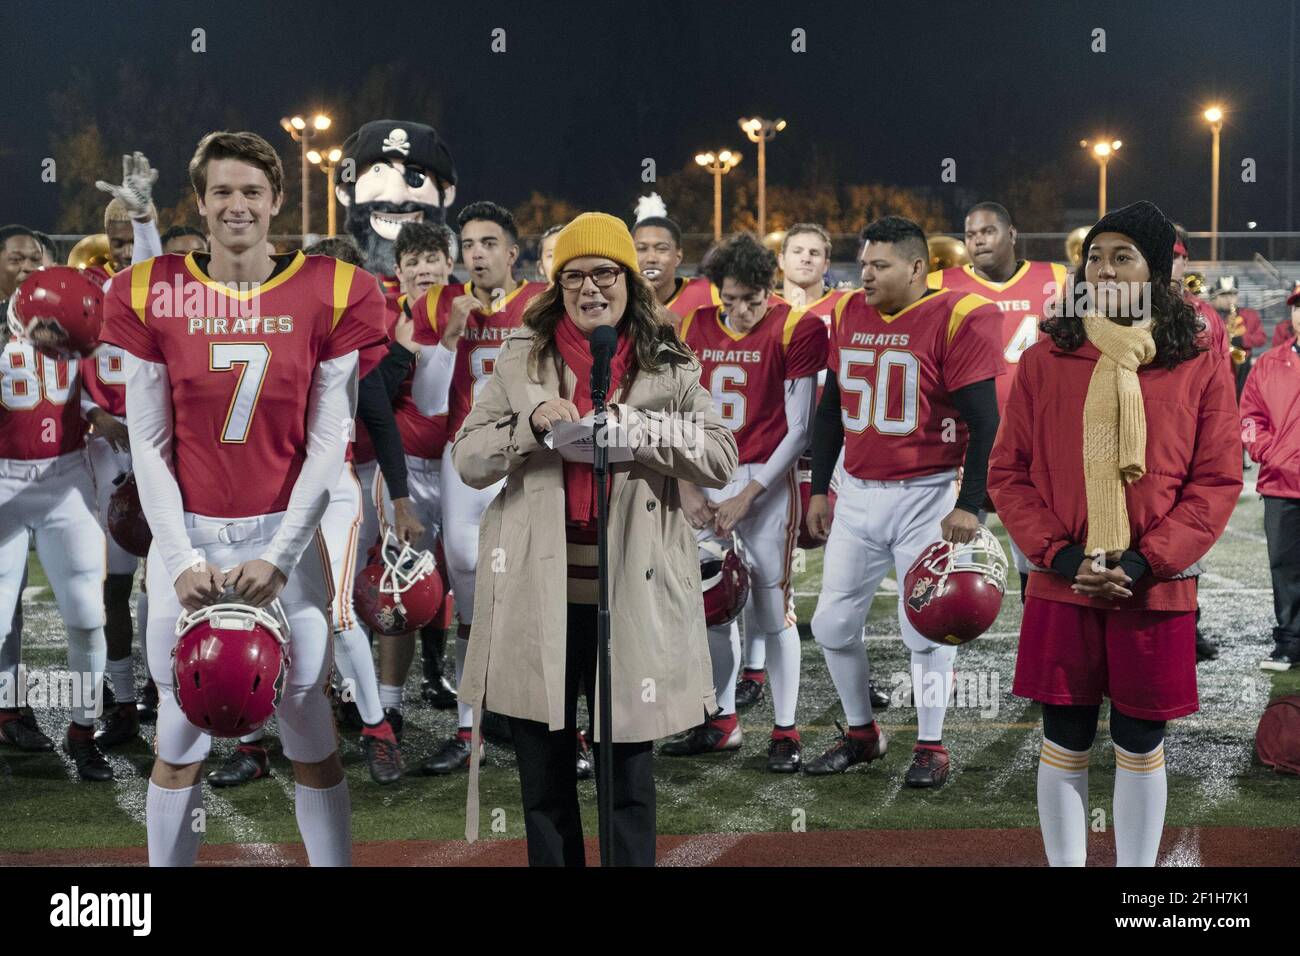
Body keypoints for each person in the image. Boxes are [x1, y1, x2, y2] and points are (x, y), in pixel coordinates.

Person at [102, 130, 387, 866]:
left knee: (307, 724)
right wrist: (177, 559)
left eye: (252, 191)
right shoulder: (151, 290)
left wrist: (284, 556)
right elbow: (148, 442)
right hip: (191, 535)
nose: (237, 205)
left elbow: (330, 441)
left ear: (277, 201)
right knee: (180, 725)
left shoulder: (330, 287)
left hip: (284, 539)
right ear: (199, 201)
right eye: (222, 191)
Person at [451, 211, 737, 865]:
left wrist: (640, 429)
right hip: (537, 593)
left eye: (604, 272)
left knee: (628, 779)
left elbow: (720, 456)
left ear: (629, 281)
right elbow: (469, 459)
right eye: (574, 275)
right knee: (544, 782)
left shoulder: (669, 360)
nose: (589, 288)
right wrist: (530, 423)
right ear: (558, 285)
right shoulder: (521, 358)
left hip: (628, 593)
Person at [988, 201, 1242, 866]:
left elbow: (1216, 479)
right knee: (1064, 736)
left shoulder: (1197, 359)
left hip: (1152, 586)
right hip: (1061, 579)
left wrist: (1145, 560)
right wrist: (1065, 554)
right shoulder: (1047, 357)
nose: (1101, 269)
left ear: (1156, 274)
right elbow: (1009, 474)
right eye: (1094, 257)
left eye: (1121, 256)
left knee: (1139, 739)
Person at [805, 215, 1004, 787]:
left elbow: (986, 422)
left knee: (930, 625)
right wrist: (820, 487)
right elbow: (830, 410)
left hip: (927, 494)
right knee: (834, 625)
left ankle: (931, 745)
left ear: (918, 268)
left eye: (879, 265)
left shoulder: (957, 317)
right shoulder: (845, 312)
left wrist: (972, 502)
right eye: (863, 262)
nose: (864, 274)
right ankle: (862, 733)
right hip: (859, 494)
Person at [666, 233, 826, 772]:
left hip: (764, 475)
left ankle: (785, 728)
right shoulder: (691, 325)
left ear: (769, 287)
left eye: (751, 299)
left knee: (771, 608)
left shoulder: (798, 325)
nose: (739, 311)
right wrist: (687, 484)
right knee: (712, 605)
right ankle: (723, 720)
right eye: (729, 299)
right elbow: (673, 410)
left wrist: (749, 494)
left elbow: (801, 428)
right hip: (704, 468)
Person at [409, 201, 548, 773]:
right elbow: (428, 401)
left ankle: (551, 724)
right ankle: (471, 729)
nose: (478, 254)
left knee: (537, 586)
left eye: (489, 243)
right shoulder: (441, 304)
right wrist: (448, 337)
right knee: (465, 580)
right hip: (464, 455)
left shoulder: (542, 304)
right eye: (468, 244)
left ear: (512, 252)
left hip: (526, 457)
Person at [926, 201, 1067, 601]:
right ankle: (945, 639)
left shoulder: (1056, 279)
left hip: (1035, 440)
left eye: (987, 231)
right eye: (970, 234)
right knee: (948, 553)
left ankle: (1038, 626)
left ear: (1012, 234)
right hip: (965, 441)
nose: (978, 241)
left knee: (1037, 548)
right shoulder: (942, 284)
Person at [0, 286, 111, 780]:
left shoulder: (78, 331)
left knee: (88, 615)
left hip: (64, 477)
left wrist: (100, 415)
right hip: (3, 477)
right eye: (18, 260)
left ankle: (83, 731)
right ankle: (7, 712)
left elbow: (90, 393)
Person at [1241, 285, 1300, 671]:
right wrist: (1267, 451)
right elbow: (1248, 418)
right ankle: (1291, 642)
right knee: (1285, 566)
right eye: (1298, 307)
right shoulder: (1268, 363)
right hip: (1281, 484)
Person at [632, 215, 719, 325]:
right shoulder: (617, 299)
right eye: (641, 249)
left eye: (661, 249)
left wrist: (683, 328)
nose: (651, 258)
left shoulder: (711, 293)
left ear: (678, 256)